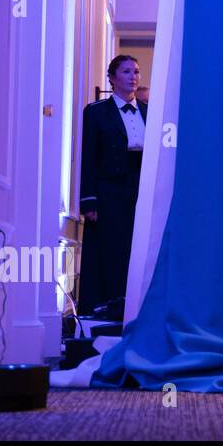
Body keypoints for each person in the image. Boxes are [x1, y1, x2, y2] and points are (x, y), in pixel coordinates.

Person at [77, 55, 147, 317]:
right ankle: (103, 311)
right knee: (109, 250)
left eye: (137, 71)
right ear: (112, 77)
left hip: (140, 190)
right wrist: (89, 199)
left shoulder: (150, 111)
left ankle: (136, 309)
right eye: (127, 71)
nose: (133, 77)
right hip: (108, 192)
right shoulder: (95, 112)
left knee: (136, 249)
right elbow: (88, 157)